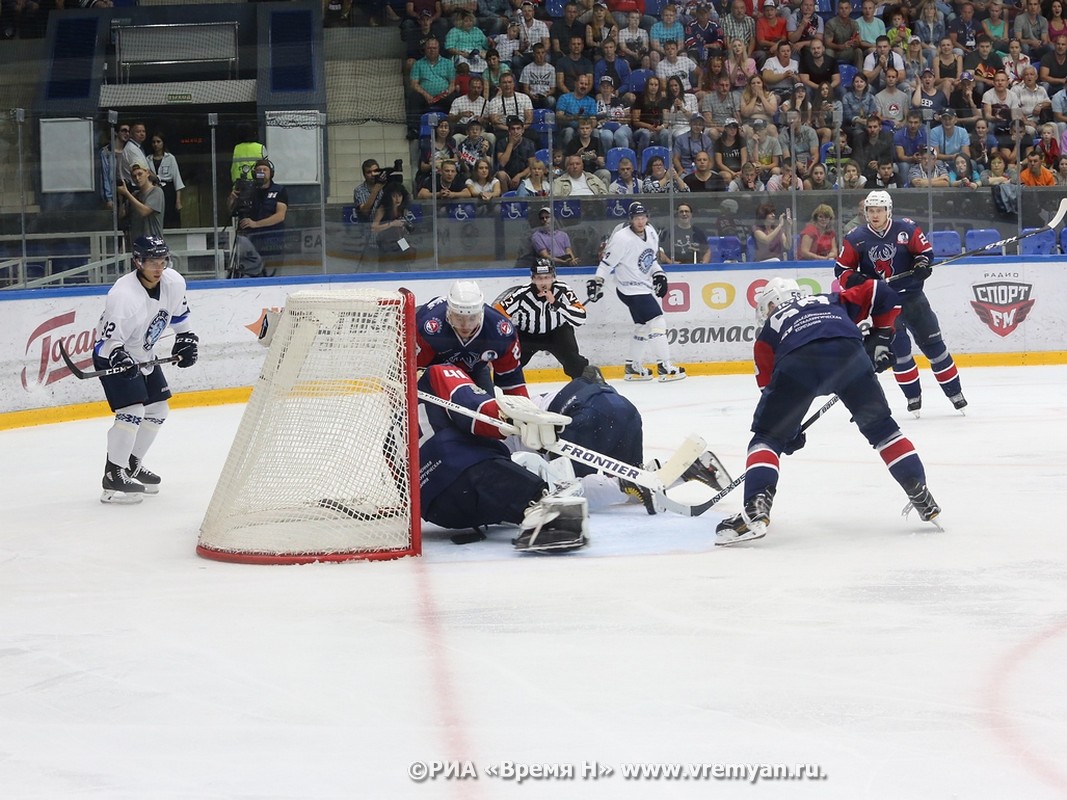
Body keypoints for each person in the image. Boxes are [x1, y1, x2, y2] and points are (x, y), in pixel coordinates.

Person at [713, 276, 941, 545]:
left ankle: (756, 508)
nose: (768, 313)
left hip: (798, 364)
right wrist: (882, 334)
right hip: (849, 356)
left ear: (775, 301)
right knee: (883, 429)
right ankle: (920, 492)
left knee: (766, 438)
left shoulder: (768, 332)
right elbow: (881, 290)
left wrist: (787, 431)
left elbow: (769, 389)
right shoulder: (831, 299)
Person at [416, 363, 586, 552]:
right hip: (468, 475)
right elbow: (475, 408)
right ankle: (542, 518)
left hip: (441, 513)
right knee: (539, 496)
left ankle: (518, 508)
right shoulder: (438, 372)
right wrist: (512, 418)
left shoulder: (400, 411)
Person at [835, 189, 967, 415]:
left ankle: (955, 393)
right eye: (871, 210)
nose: (875, 215)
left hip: (913, 298)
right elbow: (841, 270)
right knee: (901, 354)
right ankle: (913, 398)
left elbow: (925, 253)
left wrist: (922, 266)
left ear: (889, 211)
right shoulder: (856, 237)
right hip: (884, 305)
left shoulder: (906, 228)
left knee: (935, 348)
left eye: (879, 210)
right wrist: (856, 279)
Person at [92, 236, 198, 503]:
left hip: (145, 354)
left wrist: (185, 339)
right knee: (132, 411)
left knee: (158, 408)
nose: (158, 267)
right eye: (152, 261)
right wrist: (119, 357)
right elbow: (107, 343)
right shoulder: (123, 296)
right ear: (138, 261)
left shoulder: (174, 282)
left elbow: (179, 318)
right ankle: (113, 473)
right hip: (113, 356)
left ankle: (131, 464)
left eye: (162, 260)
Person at [589, 201, 686, 381]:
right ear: (630, 220)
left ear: (647, 217)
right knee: (657, 321)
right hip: (630, 289)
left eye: (643, 217)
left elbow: (651, 260)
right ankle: (664, 366)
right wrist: (597, 282)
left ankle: (633, 367)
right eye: (636, 218)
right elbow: (606, 263)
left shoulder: (651, 232)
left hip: (642, 287)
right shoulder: (621, 238)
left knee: (642, 327)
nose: (640, 221)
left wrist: (659, 275)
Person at [416, 279, 529, 397]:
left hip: (476, 370)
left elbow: (512, 382)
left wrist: (523, 411)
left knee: (486, 408)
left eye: (472, 318)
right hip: (434, 371)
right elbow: (411, 374)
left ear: (481, 314)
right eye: (459, 318)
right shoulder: (429, 328)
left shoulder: (502, 332)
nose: (466, 326)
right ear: (449, 313)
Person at [494, 260, 591, 378]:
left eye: (546, 277)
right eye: (539, 278)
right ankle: (496, 392)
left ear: (553, 277)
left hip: (558, 333)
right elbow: (497, 315)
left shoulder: (563, 290)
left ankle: (587, 391)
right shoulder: (522, 294)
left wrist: (556, 303)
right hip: (527, 335)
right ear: (533, 279)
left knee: (576, 363)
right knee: (509, 366)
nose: (543, 282)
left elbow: (581, 318)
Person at [228, 157, 288, 276]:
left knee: (272, 274)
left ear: (271, 173)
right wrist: (232, 198)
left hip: (273, 240)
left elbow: (280, 216)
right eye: (258, 169)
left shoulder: (280, 190)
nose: (261, 172)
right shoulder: (248, 189)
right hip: (251, 240)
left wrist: (255, 224)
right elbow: (231, 211)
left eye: (264, 169)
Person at [118, 162, 164, 244]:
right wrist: (122, 197)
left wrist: (127, 194)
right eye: (134, 176)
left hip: (153, 242)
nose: (137, 178)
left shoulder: (156, 191)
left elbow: (144, 211)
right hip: (137, 242)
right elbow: (121, 214)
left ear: (147, 173)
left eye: (140, 174)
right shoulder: (134, 195)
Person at [147, 132, 184, 229]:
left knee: (170, 218)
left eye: (158, 142)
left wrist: (178, 200)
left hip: (168, 190)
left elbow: (177, 179)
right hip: (154, 190)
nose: (156, 144)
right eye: (154, 142)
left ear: (163, 143)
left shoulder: (170, 158)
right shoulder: (148, 159)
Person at [371, 182, 417, 258]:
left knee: (410, 253)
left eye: (399, 196)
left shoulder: (402, 209)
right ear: (389, 197)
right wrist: (391, 224)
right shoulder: (383, 208)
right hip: (385, 241)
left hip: (399, 239)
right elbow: (374, 228)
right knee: (391, 259)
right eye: (394, 196)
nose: (397, 199)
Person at [353, 158, 388, 223]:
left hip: (384, 228)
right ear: (364, 175)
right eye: (369, 172)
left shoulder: (386, 187)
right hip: (367, 229)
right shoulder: (359, 190)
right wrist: (376, 189)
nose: (373, 174)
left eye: (375, 171)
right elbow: (365, 211)